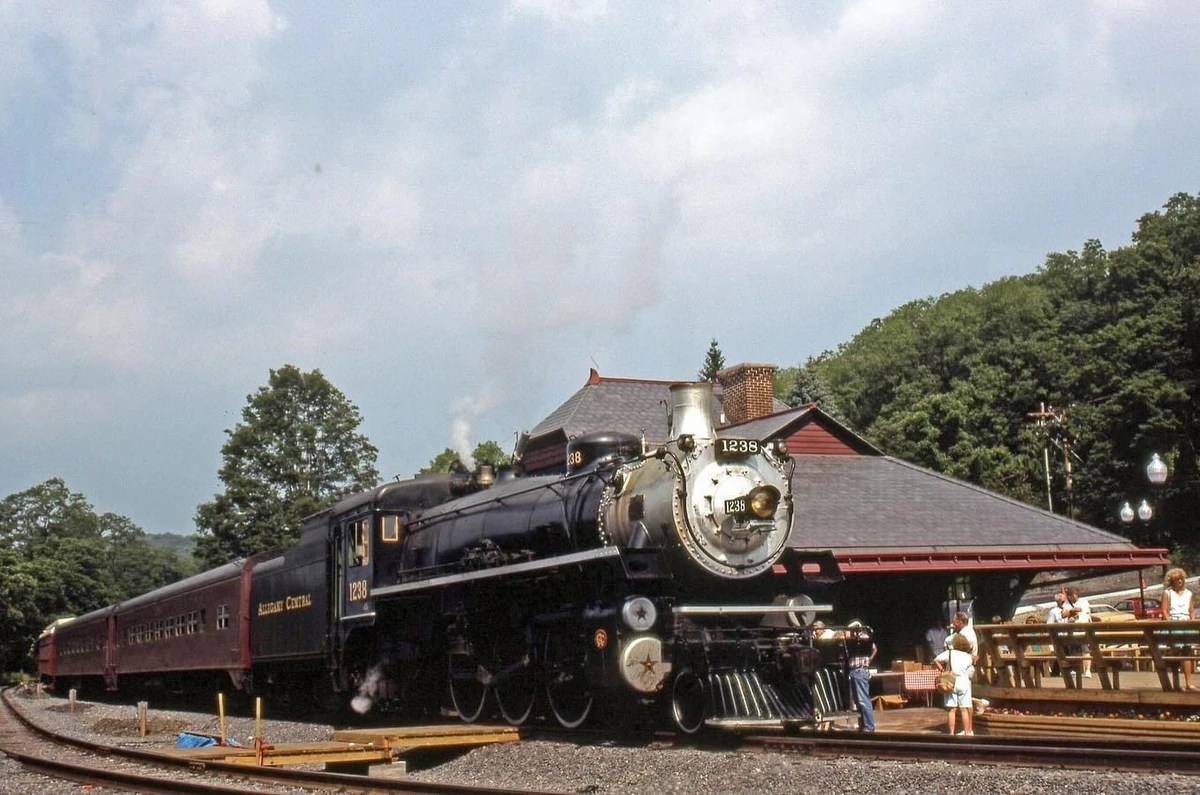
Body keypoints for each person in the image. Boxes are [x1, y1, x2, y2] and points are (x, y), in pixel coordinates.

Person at [1164, 567, 1197, 691]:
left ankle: (1189, 683)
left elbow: (1191, 610)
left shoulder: (1189, 593)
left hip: (1186, 622)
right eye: (1176, 579)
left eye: (1181, 579)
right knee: (1176, 651)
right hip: (1174, 622)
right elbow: (1164, 610)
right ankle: (1176, 683)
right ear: (1171, 581)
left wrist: (1192, 622)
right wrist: (1169, 623)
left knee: (1187, 652)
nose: (1179, 581)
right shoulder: (1167, 593)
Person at [934, 634, 975, 736]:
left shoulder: (949, 653)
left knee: (952, 710)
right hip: (964, 682)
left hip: (951, 681)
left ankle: (951, 733)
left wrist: (942, 669)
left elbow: (936, 660)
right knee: (964, 709)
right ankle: (967, 732)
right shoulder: (968, 657)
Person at [844, 620, 877, 732]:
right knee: (858, 701)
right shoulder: (853, 640)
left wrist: (868, 660)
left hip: (860, 670)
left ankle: (869, 726)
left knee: (863, 700)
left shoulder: (863, 638)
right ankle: (863, 725)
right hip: (854, 671)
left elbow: (874, 648)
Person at [1062, 586, 1093, 678]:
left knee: (1085, 650)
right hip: (1072, 630)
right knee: (1073, 651)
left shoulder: (1084, 602)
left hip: (1083, 630)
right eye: (1070, 596)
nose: (1072, 597)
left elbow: (1087, 612)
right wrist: (1071, 612)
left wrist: (1077, 610)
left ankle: (1087, 670)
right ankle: (1075, 669)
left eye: (1073, 595)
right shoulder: (1066, 604)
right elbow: (1063, 614)